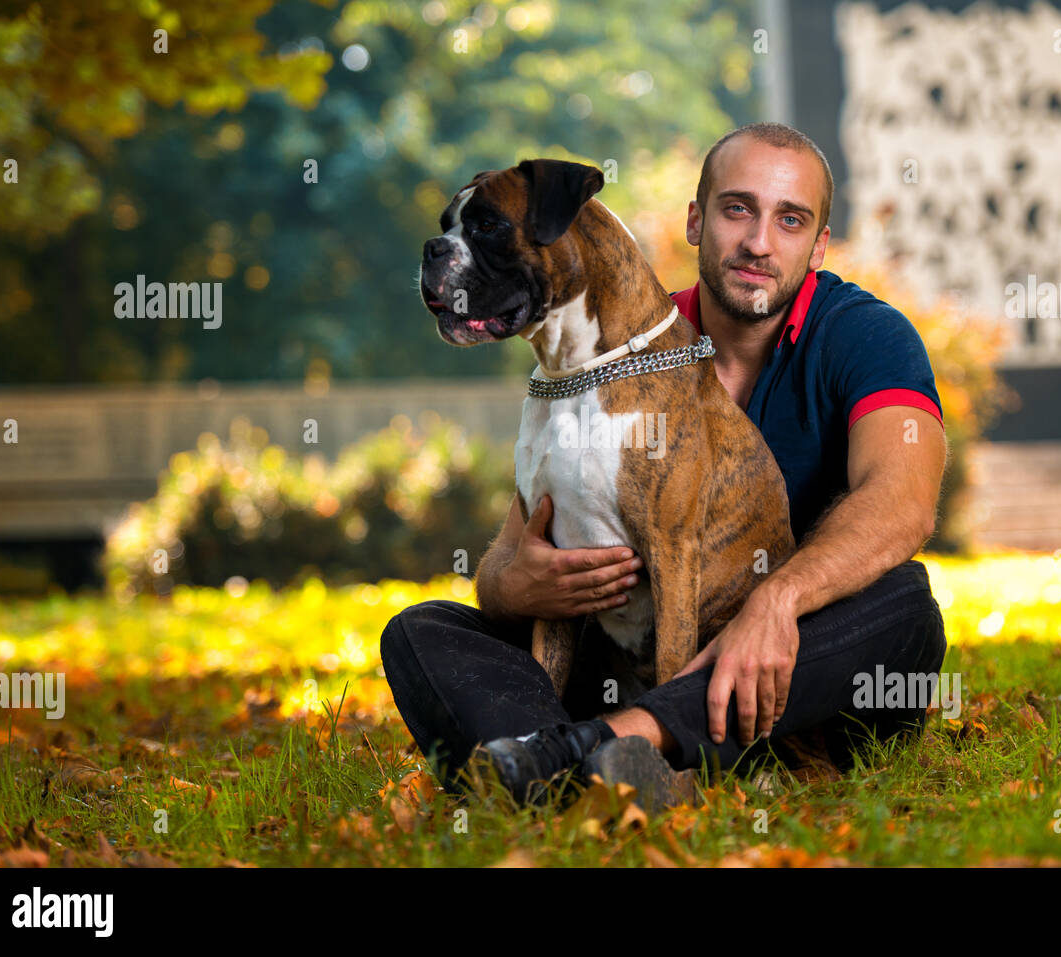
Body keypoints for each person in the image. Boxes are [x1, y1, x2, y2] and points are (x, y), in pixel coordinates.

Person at [380, 122, 949, 809]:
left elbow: (903, 502)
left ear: (820, 245)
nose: (759, 242)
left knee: (906, 602)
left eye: (790, 220)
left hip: (796, 681)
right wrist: (521, 584)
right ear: (694, 219)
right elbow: (506, 561)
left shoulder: (867, 335)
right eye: (737, 208)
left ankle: (587, 751)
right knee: (422, 630)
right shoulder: (618, 343)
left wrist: (776, 601)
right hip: (626, 658)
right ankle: (589, 770)